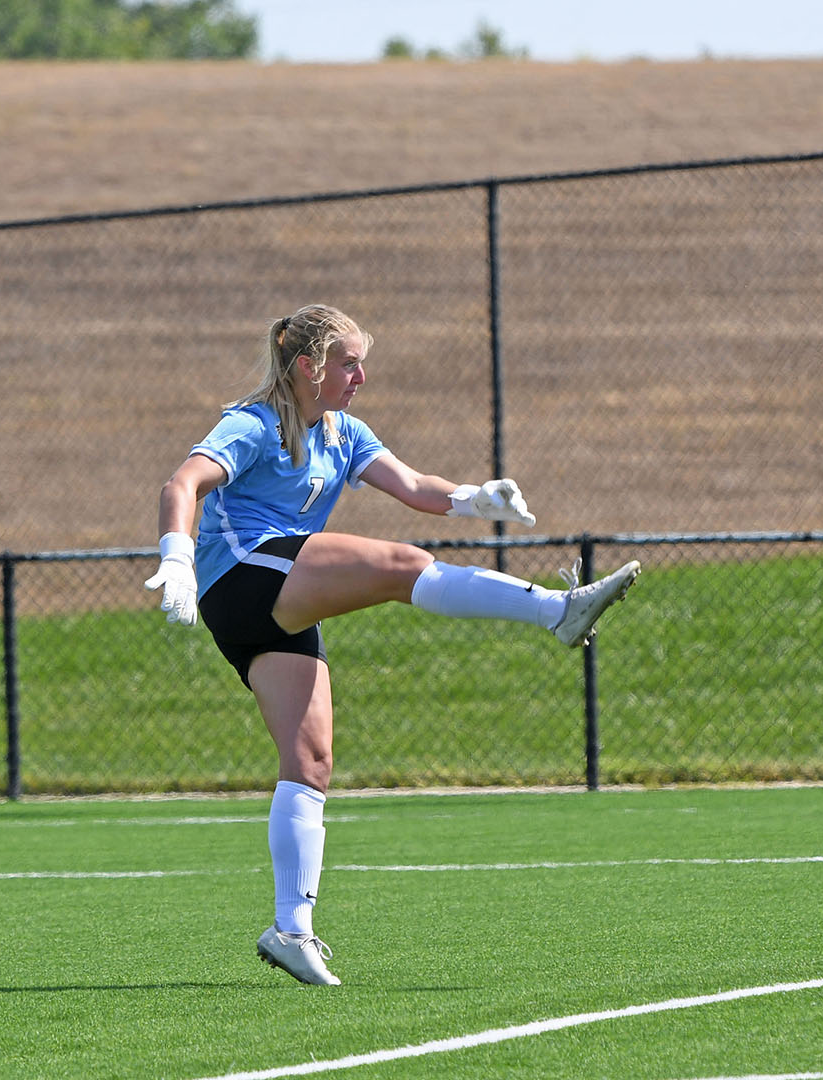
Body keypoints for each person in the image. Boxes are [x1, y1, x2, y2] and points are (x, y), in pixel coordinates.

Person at [144, 303, 639, 987]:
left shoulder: (344, 433)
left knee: (310, 762)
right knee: (401, 566)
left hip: (278, 600)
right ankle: (556, 611)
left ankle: (292, 929)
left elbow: (413, 488)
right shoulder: (253, 423)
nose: (361, 375)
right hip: (241, 581)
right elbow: (183, 482)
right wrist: (176, 557)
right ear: (306, 367)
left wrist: (475, 496)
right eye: (347, 362)